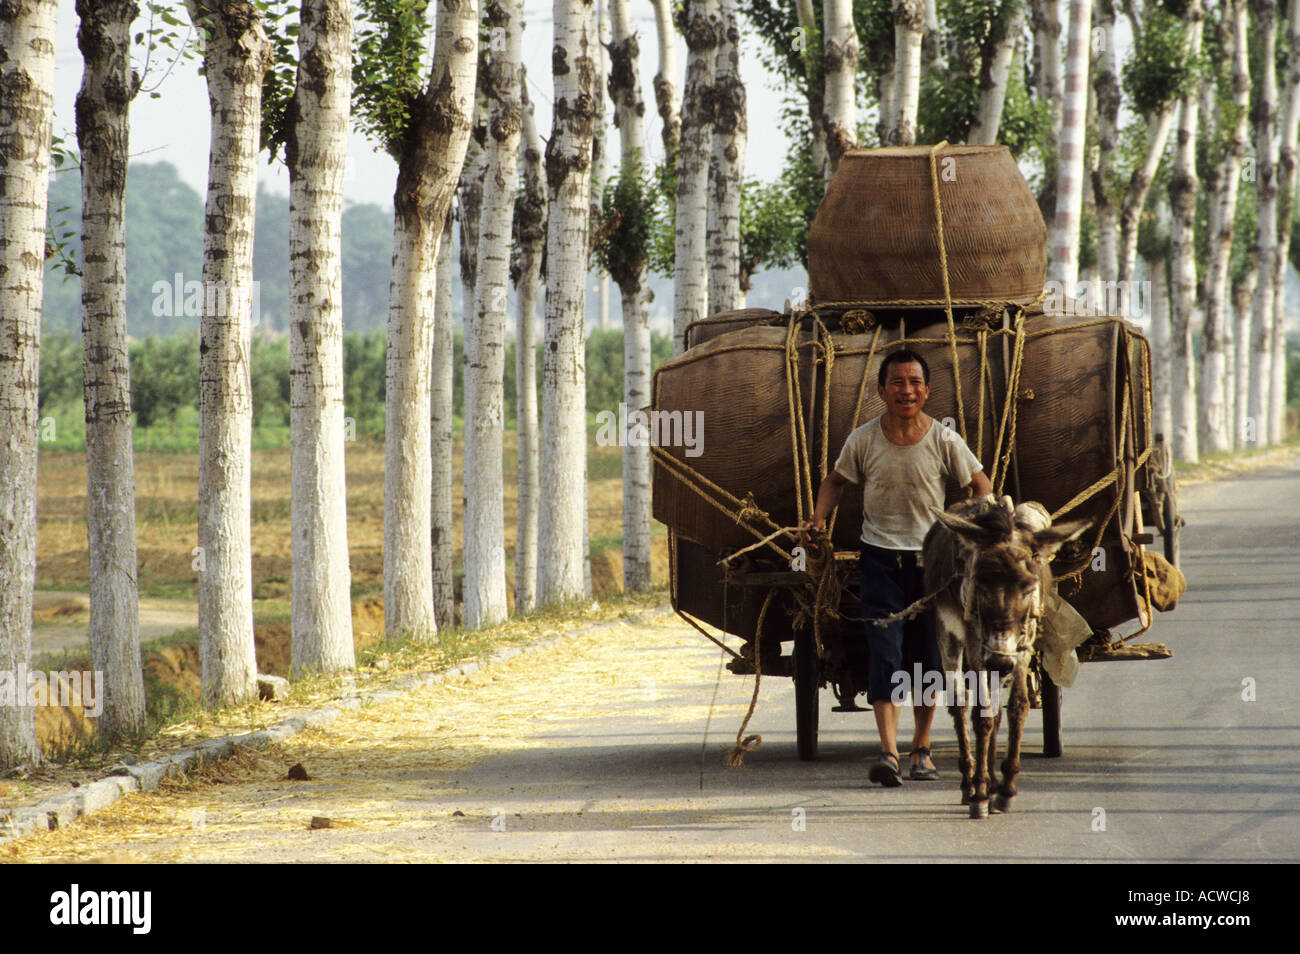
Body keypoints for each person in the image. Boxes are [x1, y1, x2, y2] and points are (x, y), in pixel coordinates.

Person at [802, 348, 991, 787]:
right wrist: (817, 519)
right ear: (881, 390)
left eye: (914, 383)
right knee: (885, 653)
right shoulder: (863, 439)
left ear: (926, 390)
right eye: (897, 383)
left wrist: (969, 518)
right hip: (880, 560)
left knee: (927, 657)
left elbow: (979, 485)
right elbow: (835, 482)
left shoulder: (944, 439)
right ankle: (888, 753)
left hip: (934, 566)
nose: (906, 391)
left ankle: (921, 749)